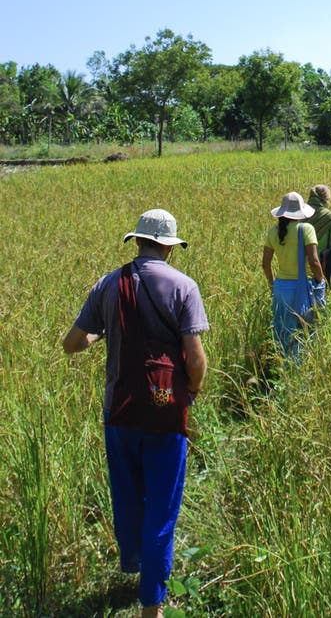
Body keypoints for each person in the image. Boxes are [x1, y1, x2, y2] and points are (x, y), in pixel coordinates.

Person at [62, 209, 209, 618]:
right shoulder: (184, 287)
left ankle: (136, 567)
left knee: (128, 497)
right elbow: (195, 360)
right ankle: (152, 605)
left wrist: (100, 332)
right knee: (162, 508)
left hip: (119, 411)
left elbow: (72, 343)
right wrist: (191, 392)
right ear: (169, 246)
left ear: (138, 241)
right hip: (165, 414)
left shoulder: (109, 283)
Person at [262, 191, 326, 361]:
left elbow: (265, 263)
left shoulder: (272, 232)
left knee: (283, 330)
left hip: (281, 288)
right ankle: (298, 369)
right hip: (301, 287)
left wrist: (272, 283)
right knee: (305, 331)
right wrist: (321, 280)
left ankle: (282, 365)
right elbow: (313, 261)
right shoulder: (306, 229)